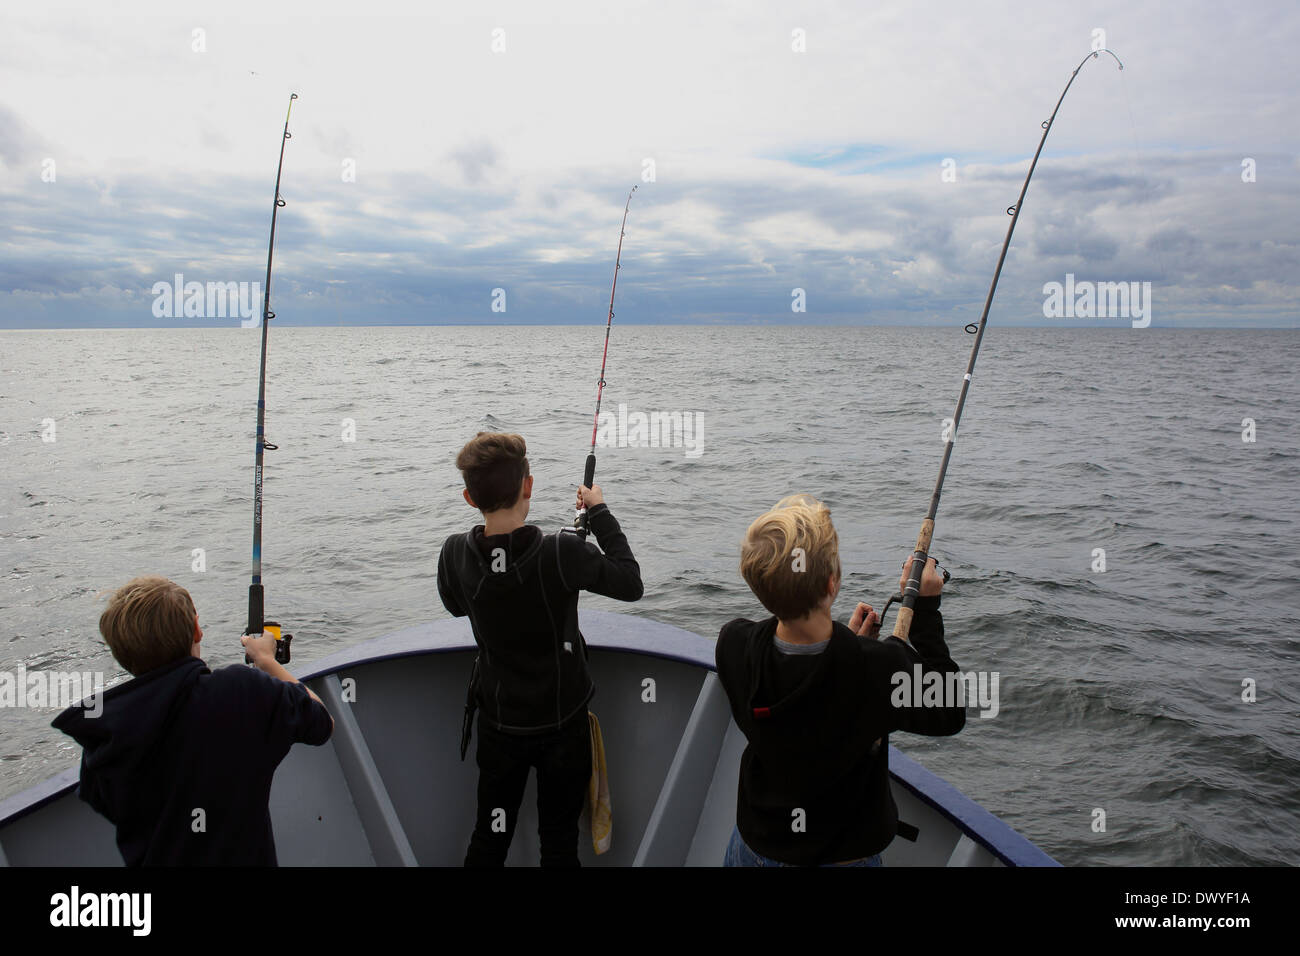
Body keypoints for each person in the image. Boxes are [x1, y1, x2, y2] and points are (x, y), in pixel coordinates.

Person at [715, 494, 965, 867]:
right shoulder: (878, 669)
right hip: (841, 857)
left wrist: (853, 649)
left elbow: (804, 683)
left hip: (755, 845)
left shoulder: (733, 643)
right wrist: (925, 611)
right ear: (832, 584)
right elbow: (949, 711)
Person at [437, 432, 642, 867]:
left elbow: (456, 605)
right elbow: (630, 582)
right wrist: (599, 512)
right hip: (563, 729)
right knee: (560, 843)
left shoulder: (455, 552)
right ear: (528, 486)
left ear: (469, 497)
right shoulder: (563, 552)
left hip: (499, 729)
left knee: (489, 839)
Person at [52, 575, 333, 866]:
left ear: (121, 654)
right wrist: (266, 661)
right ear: (197, 629)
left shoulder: (104, 735)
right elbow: (322, 722)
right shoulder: (240, 691)